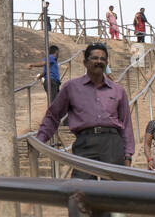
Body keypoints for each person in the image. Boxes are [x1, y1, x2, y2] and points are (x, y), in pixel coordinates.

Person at [35, 42, 134, 178]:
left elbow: (126, 123)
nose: (99, 62)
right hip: (85, 142)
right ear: (85, 62)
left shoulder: (118, 90)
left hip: (112, 143)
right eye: (94, 58)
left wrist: (128, 155)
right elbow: (53, 116)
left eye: (103, 59)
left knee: (114, 194)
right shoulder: (71, 87)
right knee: (81, 191)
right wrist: (39, 141)